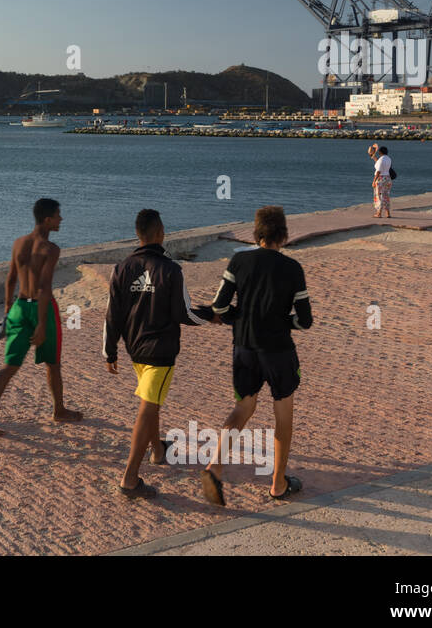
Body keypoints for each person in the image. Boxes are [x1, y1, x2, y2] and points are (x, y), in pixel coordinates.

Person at [200, 206, 312, 504]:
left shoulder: (239, 261)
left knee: (243, 408)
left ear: (257, 233)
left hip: (244, 348)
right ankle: (278, 483)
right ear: (284, 234)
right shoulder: (293, 269)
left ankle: (215, 467)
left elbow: (219, 307)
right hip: (278, 351)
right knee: (283, 416)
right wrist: (279, 321)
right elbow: (304, 320)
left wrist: (240, 317)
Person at [102, 209, 216, 499]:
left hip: (135, 349)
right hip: (161, 352)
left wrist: (110, 351)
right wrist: (213, 315)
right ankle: (129, 479)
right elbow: (185, 313)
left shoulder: (122, 267)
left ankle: (157, 450)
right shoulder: (171, 269)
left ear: (139, 234)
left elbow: (111, 314)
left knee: (151, 401)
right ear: (161, 232)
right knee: (148, 406)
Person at [0, 198, 82, 437]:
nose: (61, 219)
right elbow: (44, 287)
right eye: (58, 215)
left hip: (18, 307)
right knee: (53, 363)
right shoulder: (50, 249)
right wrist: (42, 324)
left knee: (10, 365)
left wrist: (7, 313)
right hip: (41, 309)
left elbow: (10, 279)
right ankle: (59, 410)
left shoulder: (19, 243)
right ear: (47, 219)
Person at [369, 143, 392, 218]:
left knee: (379, 196)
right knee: (386, 195)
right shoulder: (388, 159)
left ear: (380, 152)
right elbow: (378, 162)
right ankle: (388, 213)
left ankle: (379, 213)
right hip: (388, 178)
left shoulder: (381, 159)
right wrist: (373, 156)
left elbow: (378, 171)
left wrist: (373, 181)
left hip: (380, 178)